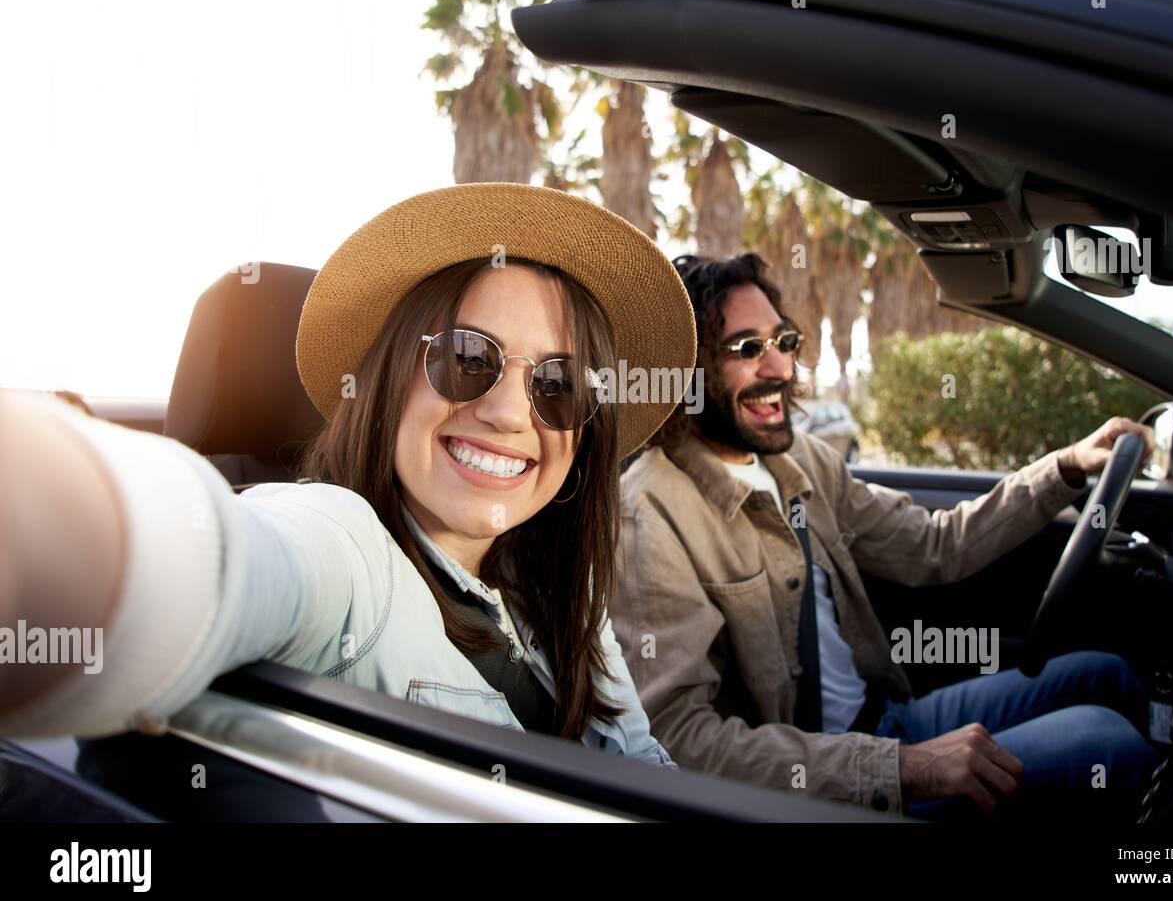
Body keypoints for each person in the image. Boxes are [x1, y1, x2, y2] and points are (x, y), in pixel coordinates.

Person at [0, 183, 696, 766]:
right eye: (466, 358)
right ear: (387, 377)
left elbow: (648, 769)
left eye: (559, 384)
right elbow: (202, 561)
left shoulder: (563, 592)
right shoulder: (343, 548)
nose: (511, 414)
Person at [612, 252, 1158, 818]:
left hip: (888, 720)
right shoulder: (649, 516)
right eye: (748, 349)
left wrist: (1066, 467)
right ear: (685, 368)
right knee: (1107, 746)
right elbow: (676, 741)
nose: (779, 368)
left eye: (783, 341)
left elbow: (933, 546)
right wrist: (901, 769)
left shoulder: (800, 460)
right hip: (827, 787)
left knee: (1106, 674)